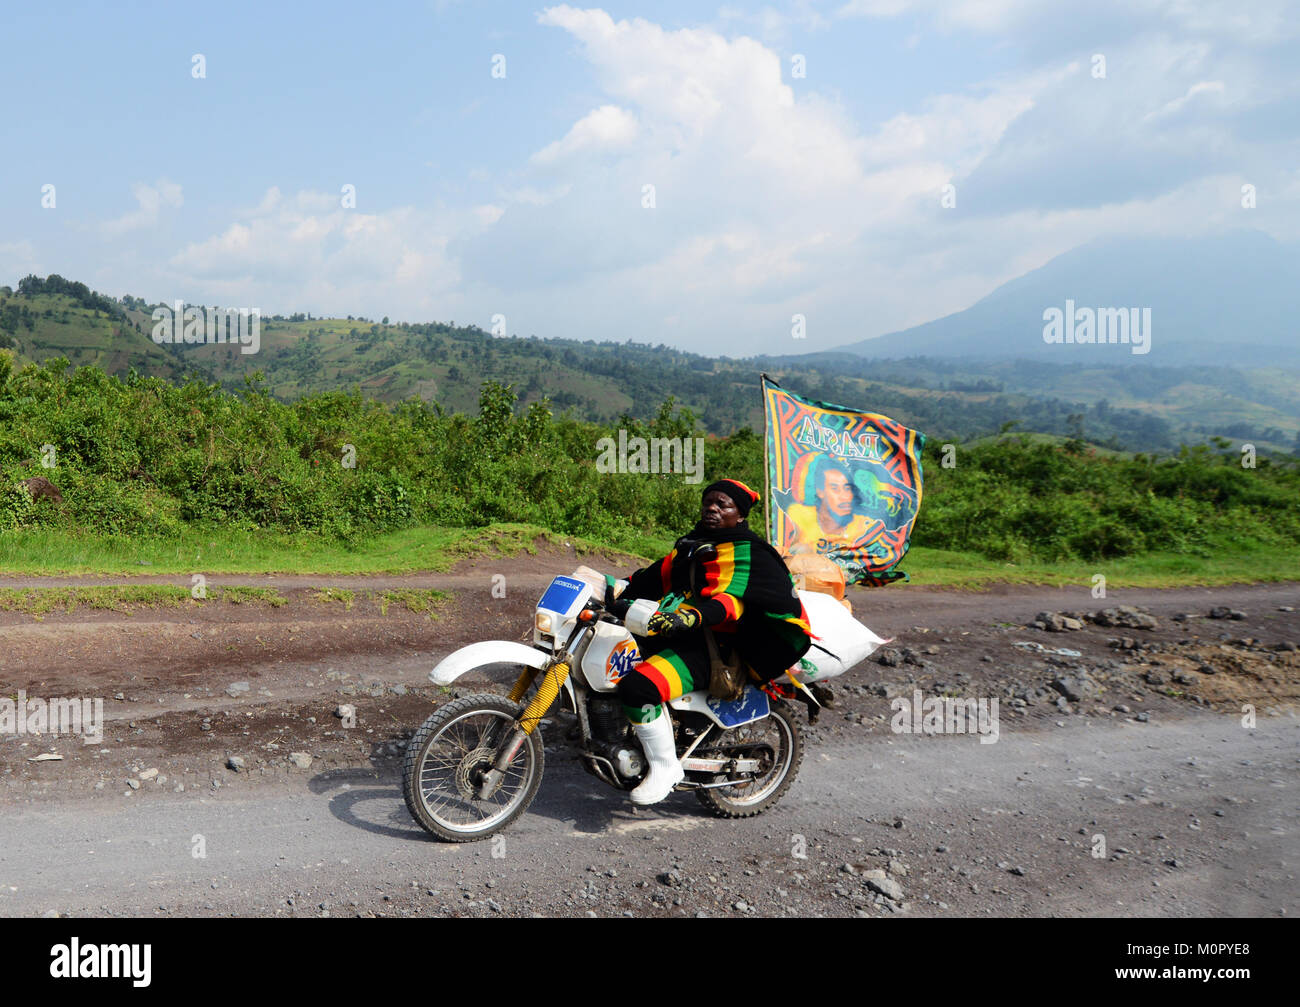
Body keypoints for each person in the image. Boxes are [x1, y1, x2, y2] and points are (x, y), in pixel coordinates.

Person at [606, 479, 814, 805]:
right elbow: (654, 577)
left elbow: (732, 603)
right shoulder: (693, 545)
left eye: (723, 505)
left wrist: (691, 616)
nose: (713, 509)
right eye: (709, 503)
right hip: (683, 636)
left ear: (740, 515)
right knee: (613, 656)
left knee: (638, 687)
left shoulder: (749, 554)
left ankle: (664, 768)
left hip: (719, 649)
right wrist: (614, 586)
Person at [784, 458, 874, 555]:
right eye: (835, 489)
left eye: (847, 488)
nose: (845, 497)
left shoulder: (864, 526)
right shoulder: (799, 515)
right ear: (820, 492)